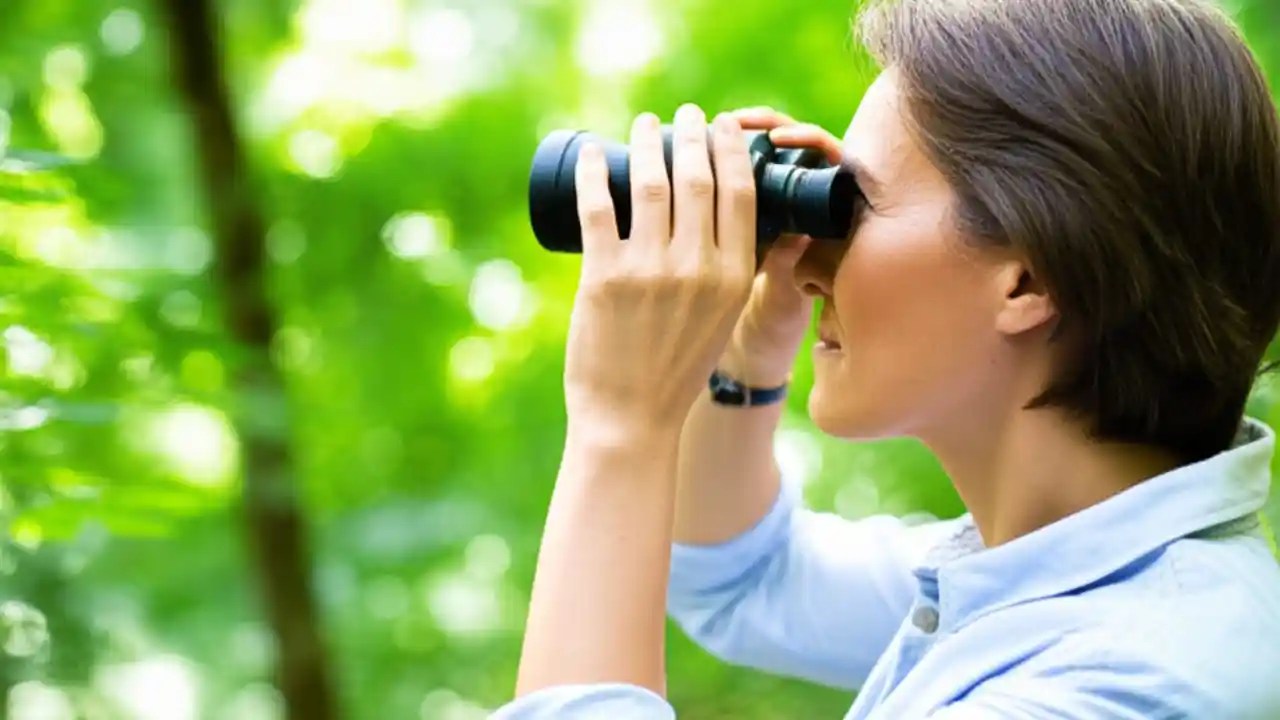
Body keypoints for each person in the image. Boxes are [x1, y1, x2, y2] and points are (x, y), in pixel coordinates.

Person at [492, 0, 1280, 717]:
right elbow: (740, 581)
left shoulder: (1136, 681)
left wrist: (619, 422)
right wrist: (752, 346)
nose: (809, 261)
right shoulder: (1050, 571)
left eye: (853, 203)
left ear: (1029, 279)